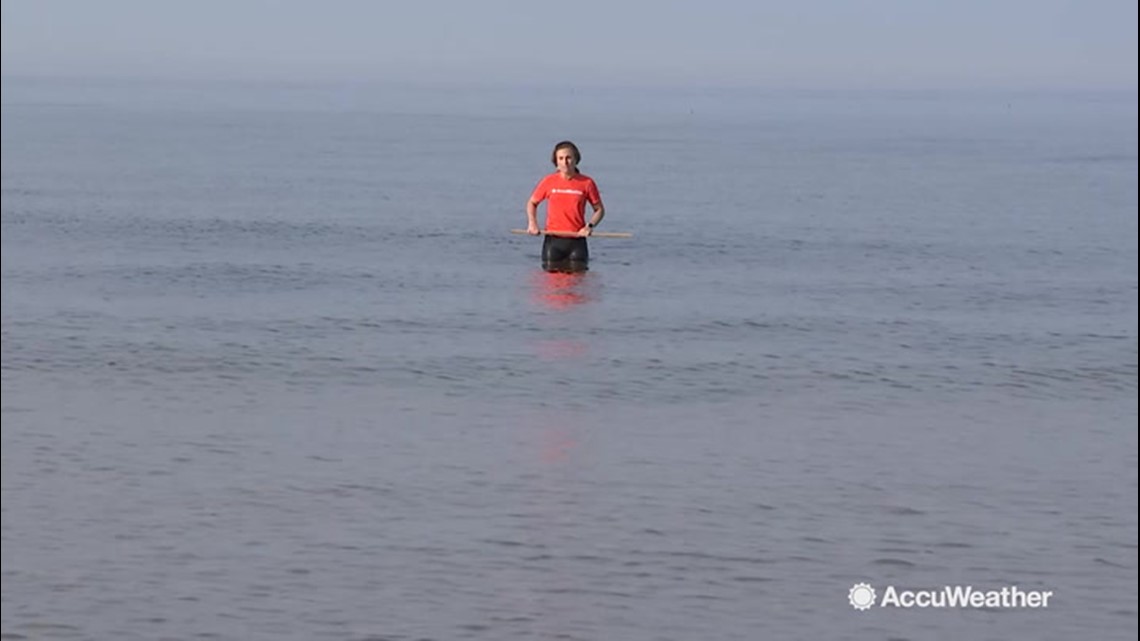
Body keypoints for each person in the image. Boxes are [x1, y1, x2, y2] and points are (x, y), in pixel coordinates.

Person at [525, 140, 606, 272]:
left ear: (576, 159)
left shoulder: (587, 183)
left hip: (577, 241)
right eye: (561, 158)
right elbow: (532, 203)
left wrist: (589, 226)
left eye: (568, 158)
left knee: (578, 284)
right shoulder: (548, 181)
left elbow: (599, 210)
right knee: (552, 284)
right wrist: (532, 223)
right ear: (556, 162)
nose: (565, 162)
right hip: (553, 241)